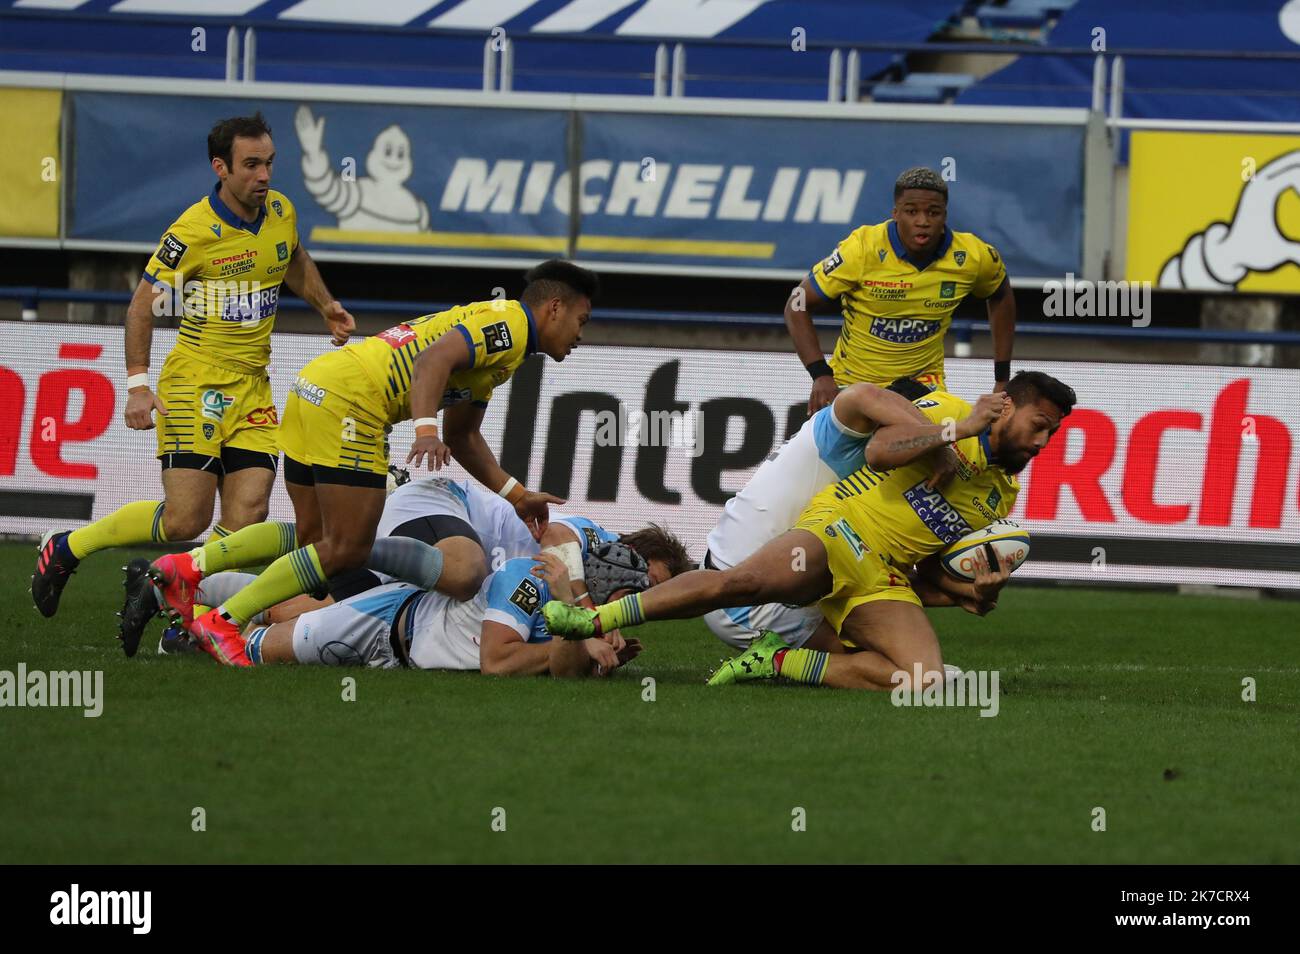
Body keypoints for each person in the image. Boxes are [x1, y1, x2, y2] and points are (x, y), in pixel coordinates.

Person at [152, 260, 597, 664]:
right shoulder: (511, 326)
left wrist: (516, 495)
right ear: (554, 308)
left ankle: (189, 572)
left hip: (318, 385)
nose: (581, 334)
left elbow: (463, 435)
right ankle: (224, 621)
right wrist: (425, 429)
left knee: (316, 543)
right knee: (346, 549)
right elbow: (432, 360)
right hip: (354, 406)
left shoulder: (503, 347)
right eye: (582, 320)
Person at [30, 112, 353, 659]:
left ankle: (190, 611)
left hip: (253, 386)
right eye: (251, 165)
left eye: (269, 163)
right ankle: (67, 546)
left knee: (248, 513)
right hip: (194, 384)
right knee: (186, 519)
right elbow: (141, 305)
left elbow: (292, 257)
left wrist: (327, 306)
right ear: (220, 167)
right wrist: (137, 384)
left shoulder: (280, 212)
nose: (264, 175)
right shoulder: (191, 233)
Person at [543, 371, 1077, 692]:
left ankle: (776, 660)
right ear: (1006, 406)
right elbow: (877, 450)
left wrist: (977, 589)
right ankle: (590, 617)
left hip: (882, 577)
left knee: (924, 680)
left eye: (1053, 431)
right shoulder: (948, 410)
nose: (1045, 440)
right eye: (1039, 425)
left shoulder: (1001, 496)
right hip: (840, 531)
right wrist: (953, 432)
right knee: (740, 583)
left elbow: (937, 567)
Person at [784, 166, 1016, 415]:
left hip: (924, 385)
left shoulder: (972, 256)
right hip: (853, 382)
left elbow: (1000, 294)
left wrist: (1002, 376)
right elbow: (796, 305)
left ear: (944, 216)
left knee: (937, 444)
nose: (923, 221)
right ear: (895, 213)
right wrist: (820, 375)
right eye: (911, 212)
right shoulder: (862, 249)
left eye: (933, 212)